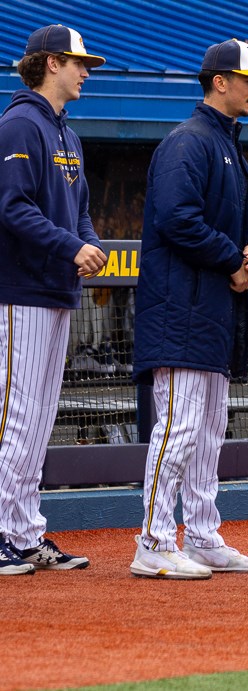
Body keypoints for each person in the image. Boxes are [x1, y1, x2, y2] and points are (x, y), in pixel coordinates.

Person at [129, 39, 248, 580]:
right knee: (178, 428)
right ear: (219, 81)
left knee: (210, 429)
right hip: (181, 308)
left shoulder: (227, 145)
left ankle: (204, 534)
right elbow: (177, 220)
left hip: (212, 310)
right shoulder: (187, 142)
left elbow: (226, 222)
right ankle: (154, 539)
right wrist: (234, 254)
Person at [0, 25, 108, 576]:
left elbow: (79, 207)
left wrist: (87, 243)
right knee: (15, 415)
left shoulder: (66, 132)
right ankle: (2, 531)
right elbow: (12, 207)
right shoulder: (20, 122)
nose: (85, 70)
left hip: (56, 289)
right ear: (47, 63)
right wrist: (73, 247)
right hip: (21, 292)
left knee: (39, 420)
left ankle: (23, 532)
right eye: (76, 62)